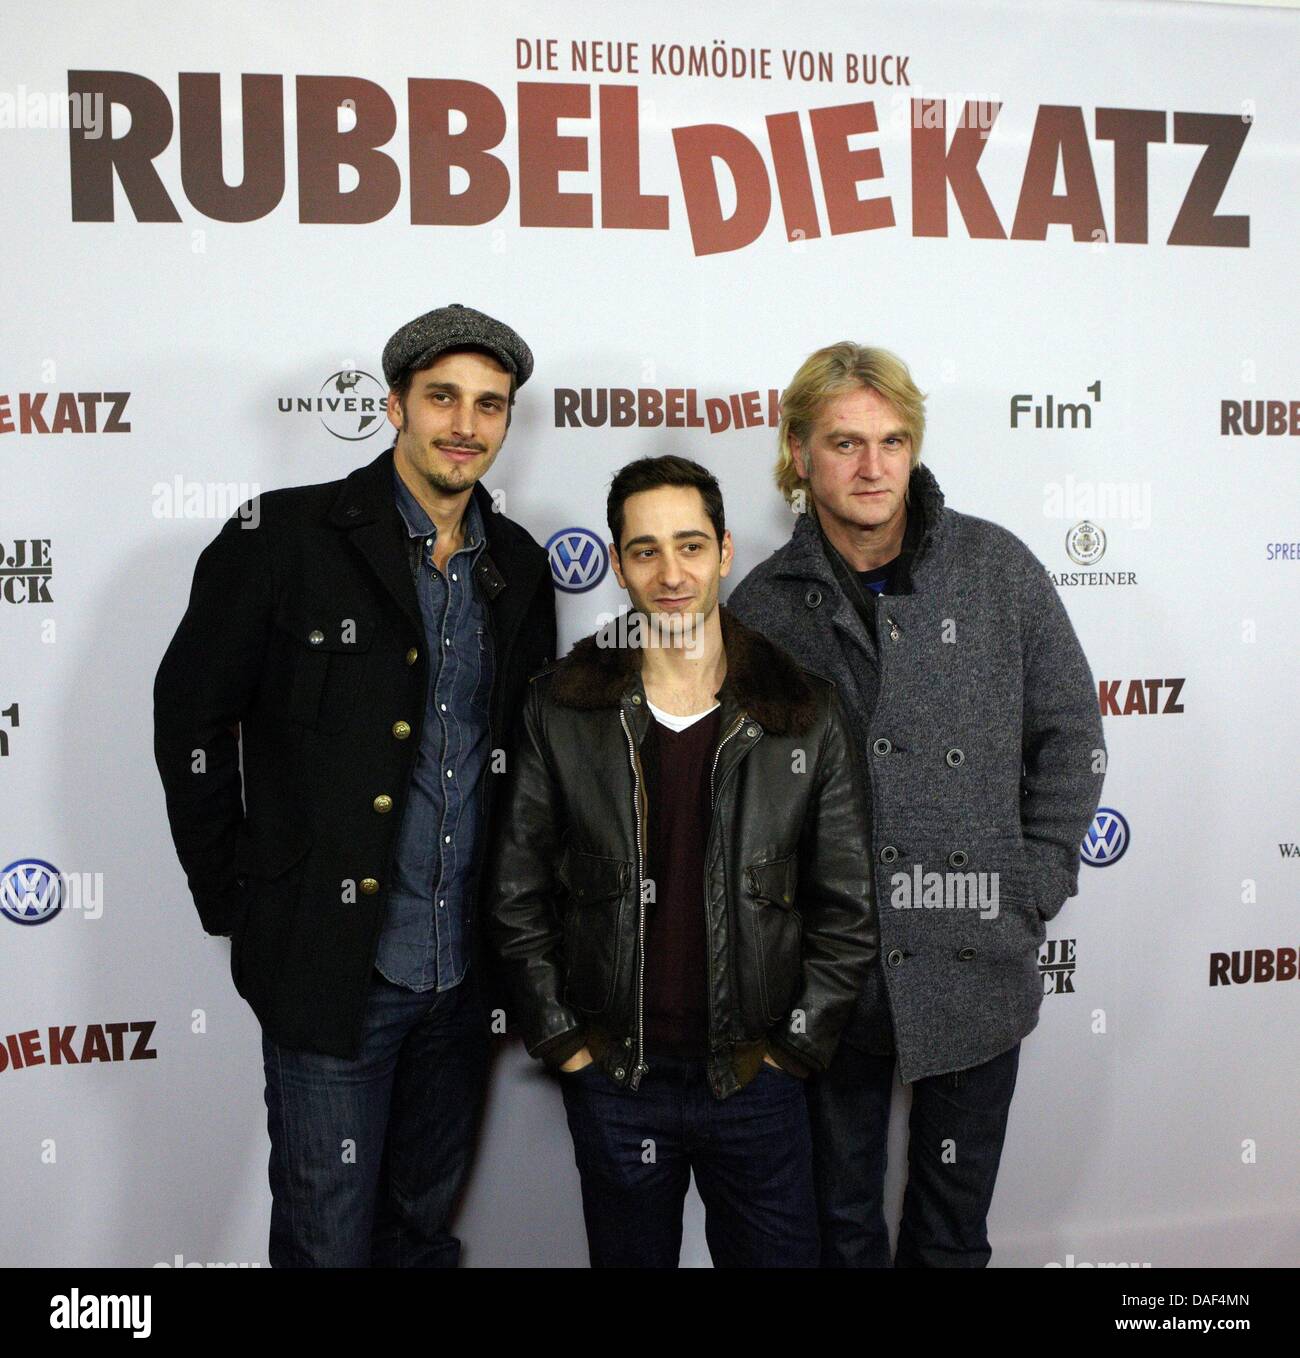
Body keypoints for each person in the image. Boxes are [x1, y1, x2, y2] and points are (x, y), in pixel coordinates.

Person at [154, 304, 556, 1267]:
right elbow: (192, 727)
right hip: (333, 969)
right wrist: (246, 901)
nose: (465, 424)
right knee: (326, 1238)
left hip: (462, 978)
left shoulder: (522, 567)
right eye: (443, 398)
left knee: (417, 1231)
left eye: (489, 405)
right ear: (394, 407)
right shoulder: (285, 536)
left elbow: (527, 761)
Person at [727, 343, 1105, 1268]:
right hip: (828, 979)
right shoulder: (764, 607)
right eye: (845, 443)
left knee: (950, 1236)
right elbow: (735, 796)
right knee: (840, 1230)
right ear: (798, 453)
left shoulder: (996, 569)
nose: (872, 466)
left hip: (976, 961)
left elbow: (1070, 733)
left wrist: (1034, 881)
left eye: (893, 441)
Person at [486, 455, 878, 1268]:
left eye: (691, 546)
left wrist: (793, 1051)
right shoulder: (561, 705)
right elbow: (516, 895)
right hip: (617, 1079)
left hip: (756, 1079)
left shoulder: (803, 709)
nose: (671, 573)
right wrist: (564, 1041)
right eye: (645, 550)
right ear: (619, 562)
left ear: (726, 552)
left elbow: (847, 908)